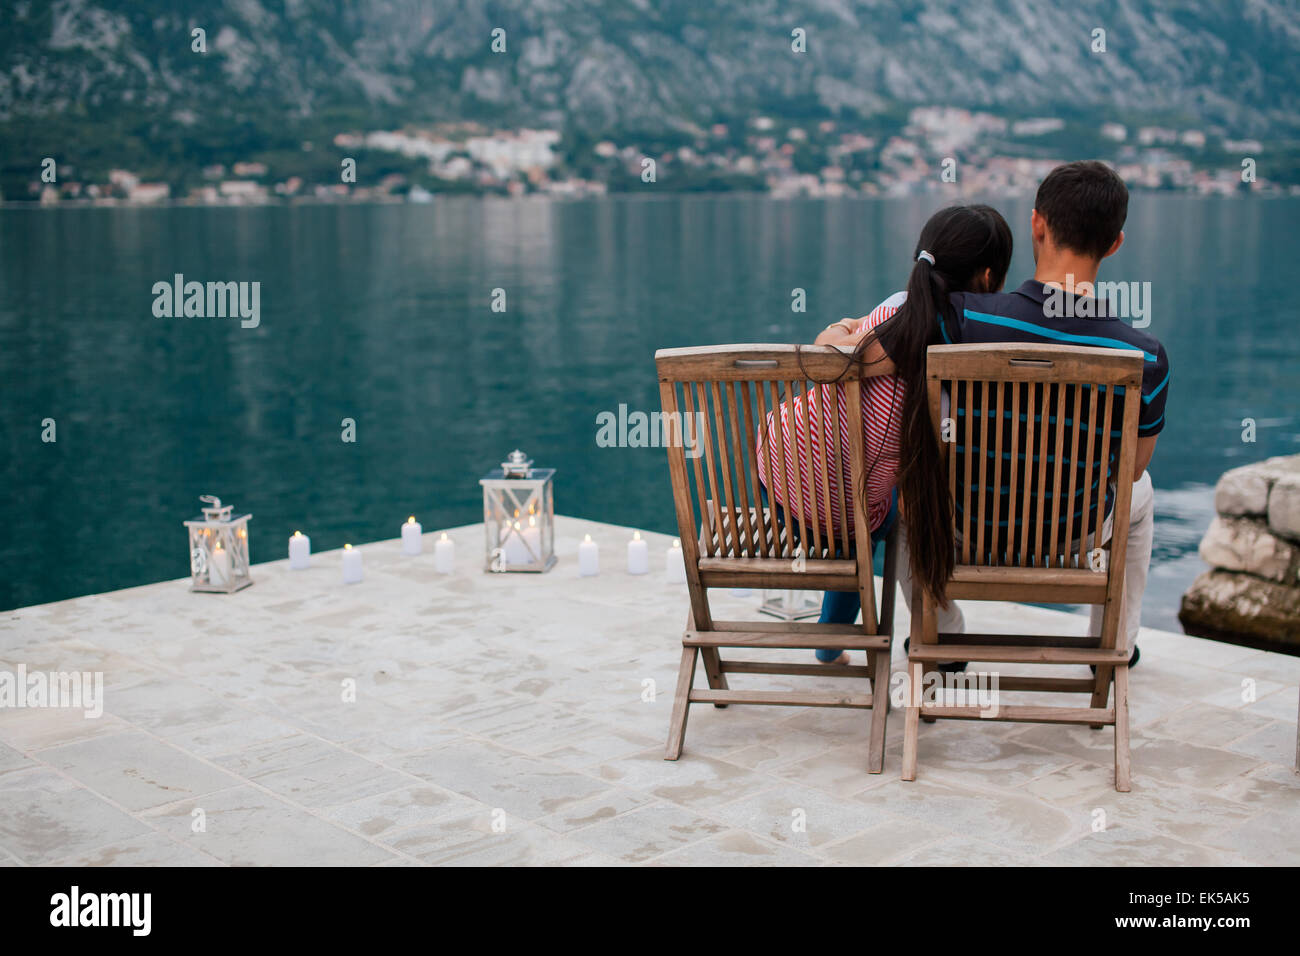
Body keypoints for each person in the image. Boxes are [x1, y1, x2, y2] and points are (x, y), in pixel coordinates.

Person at [822, 161, 1170, 664]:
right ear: (1115, 243)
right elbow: (1129, 469)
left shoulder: (959, 316)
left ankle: (941, 635)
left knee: (910, 479)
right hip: (1075, 535)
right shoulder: (1147, 355)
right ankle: (1113, 643)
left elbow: (857, 361)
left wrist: (840, 332)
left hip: (966, 529)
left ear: (1037, 224)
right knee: (1144, 490)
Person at [756, 204, 1013, 664]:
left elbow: (828, 356)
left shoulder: (896, 307)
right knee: (892, 512)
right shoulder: (964, 347)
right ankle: (917, 635)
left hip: (777, 467)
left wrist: (839, 324)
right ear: (990, 276)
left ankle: (832, 641)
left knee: (859, 498)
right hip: (844, 508)